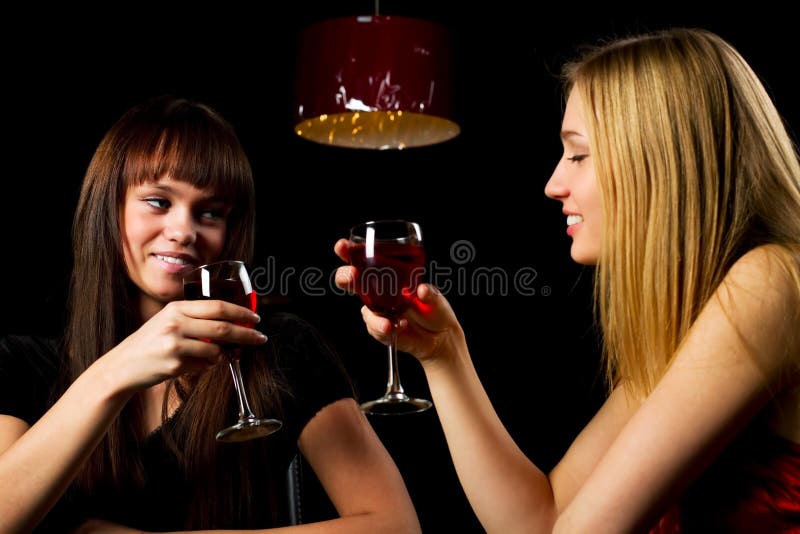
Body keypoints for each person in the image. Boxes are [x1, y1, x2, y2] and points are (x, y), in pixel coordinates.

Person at [335, 28, 800, 532]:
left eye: (578, 155)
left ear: (659, 159)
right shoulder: (689, 318)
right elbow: (538, 521)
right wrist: (444, 353)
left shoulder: (771, 281)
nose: (553, 184)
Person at [0, 95, 420, 533]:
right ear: (109, 209)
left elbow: (396, 526)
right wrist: (116, 372)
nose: (183, 231)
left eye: (210, 213)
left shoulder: (277, 349)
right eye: (158, 202)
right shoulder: (22, 366)